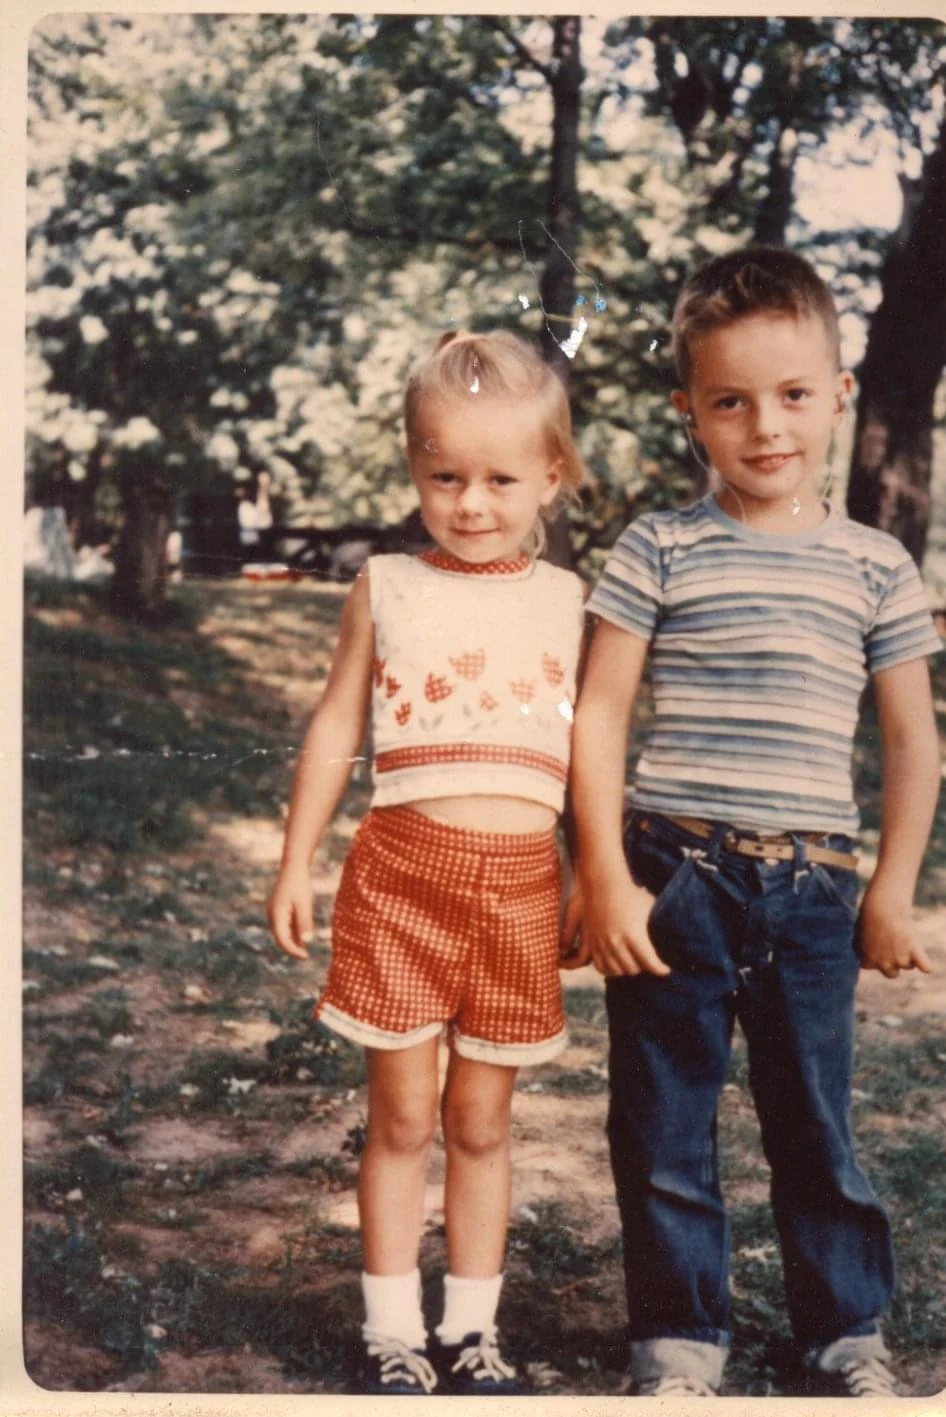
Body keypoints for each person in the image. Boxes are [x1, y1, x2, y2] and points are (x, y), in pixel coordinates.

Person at [568, 248, 942, 1399]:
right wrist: (604, 876)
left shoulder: (877, 567)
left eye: (791, 395)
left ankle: (843, 1334)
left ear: (837, 393)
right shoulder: (658, 547)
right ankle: (680, 1342)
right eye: (729, 401)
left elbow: (913, 742)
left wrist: (889, 886)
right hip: (671, 872)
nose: (763, 426)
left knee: (816, 1125)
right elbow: (598, 716)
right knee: (665, 1120)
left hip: (814, 885)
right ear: (689, 412)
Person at [268, 330, 586, 1395]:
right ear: (414, 467)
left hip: (521, 888)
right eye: (444, 474)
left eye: (502, 478)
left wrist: (591, 873)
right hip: (402, 876)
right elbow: (332, 726)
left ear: (554, 473)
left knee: (482, 1120)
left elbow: (592, 750)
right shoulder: (386, 584)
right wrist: (294, 858)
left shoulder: (572, 601)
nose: (472, 502)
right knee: (404, 1115)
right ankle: (393, 1328)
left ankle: (474, 1329)